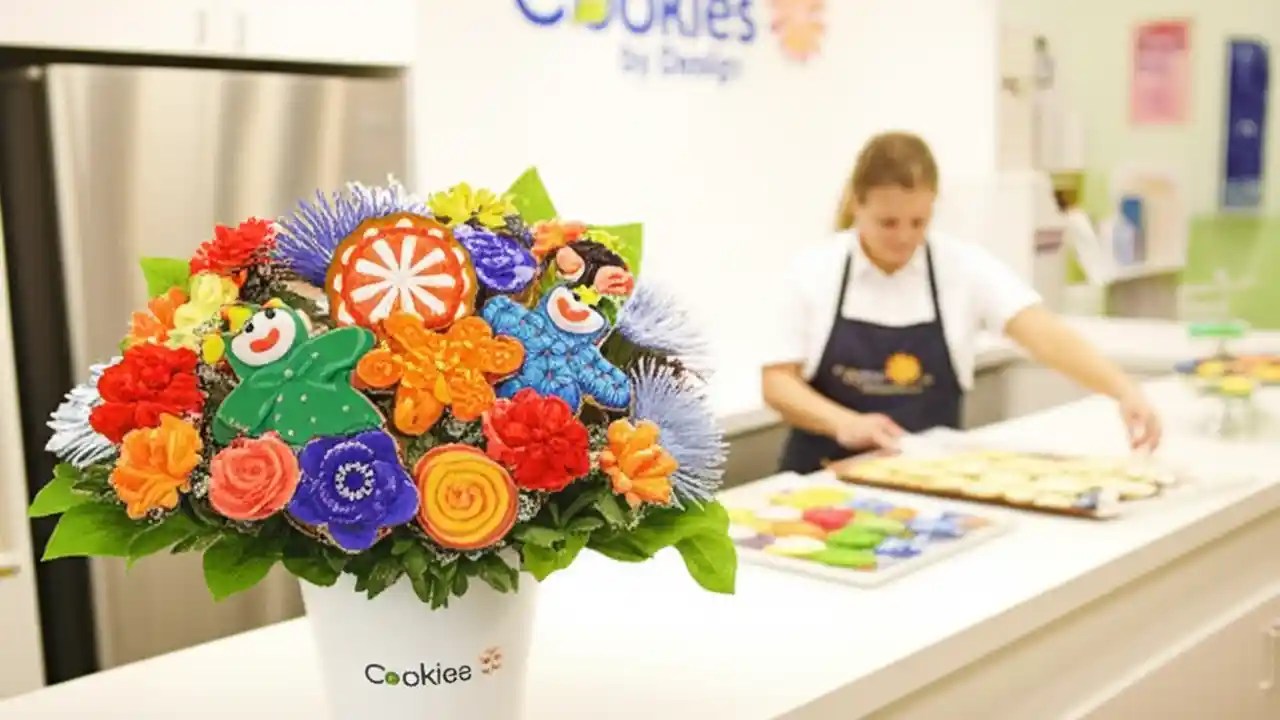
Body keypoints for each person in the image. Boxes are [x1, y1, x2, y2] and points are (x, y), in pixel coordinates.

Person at [762, 131, 1161, 474]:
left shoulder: (962, 269)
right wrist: (845, 423)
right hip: (820, 487)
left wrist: (1123, 390)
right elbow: (778, 382)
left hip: (927, 486)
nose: (903, 237)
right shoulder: (814, 271)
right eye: (888, 222)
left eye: (918, 222)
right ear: (857, 205)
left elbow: (1043, 333)